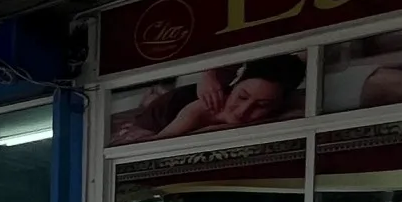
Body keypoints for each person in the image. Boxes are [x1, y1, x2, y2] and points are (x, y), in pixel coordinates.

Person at [111, 57, 305, 142]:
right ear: (234, 85)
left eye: (261, 106)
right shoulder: (189, 104)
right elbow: (149, 153)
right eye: (242, 96)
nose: (243, 111)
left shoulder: (287, 111)